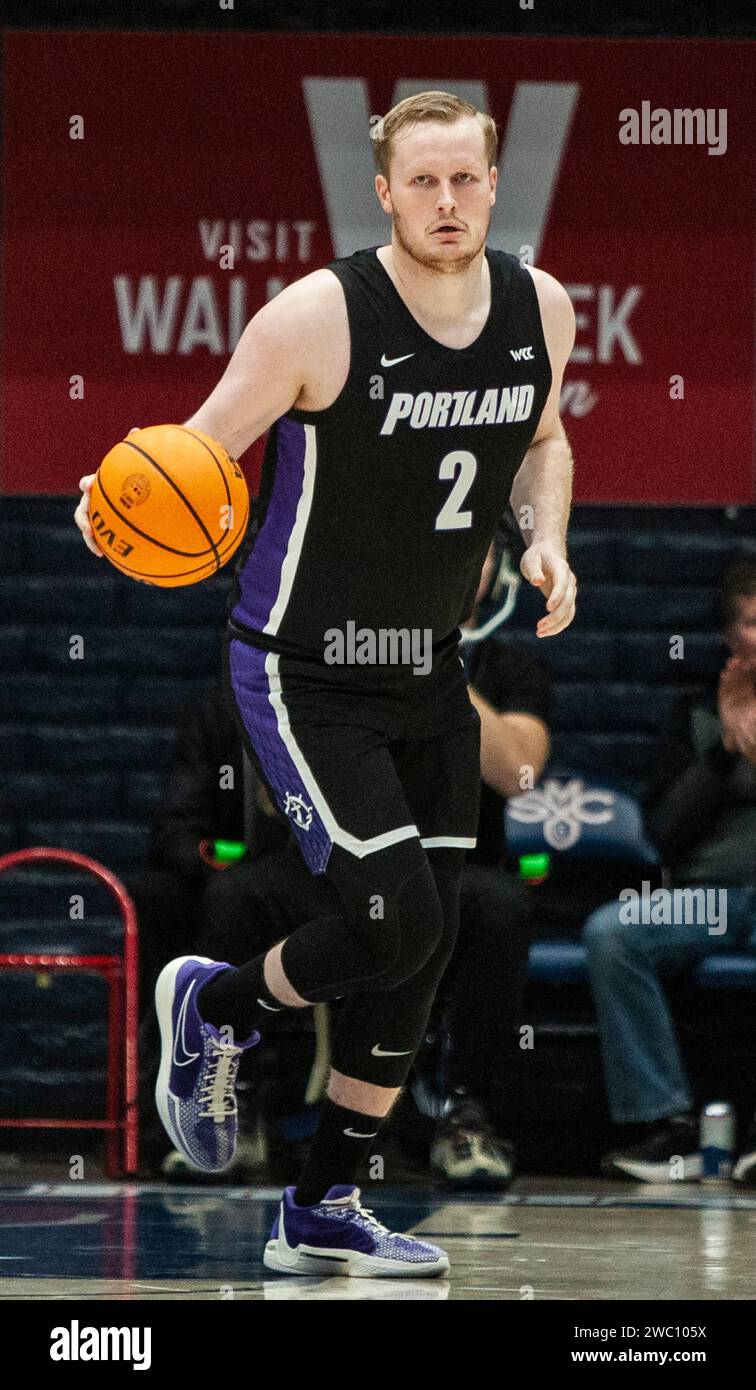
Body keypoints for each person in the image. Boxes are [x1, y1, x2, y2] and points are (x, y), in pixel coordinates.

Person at [75, 90, 577, 1278]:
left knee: (431, 937)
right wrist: (117, 512)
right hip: (303, 672)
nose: (447, 204)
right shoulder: (314, 316)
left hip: (430, 674)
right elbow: (190, 460)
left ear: (494, 186)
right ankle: (218, 1009)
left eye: (466, 181)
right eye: (424, 183)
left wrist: (545, 537)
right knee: (388, 917)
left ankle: (321, 1206)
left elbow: (545, 438)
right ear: (387, 191)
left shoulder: (540, 307)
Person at [583, 557, 756, 1184]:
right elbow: (664, 833)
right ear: (730, 636)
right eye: (755, 623)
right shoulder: (694, 715)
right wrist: (724, 752)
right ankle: (670, 1126)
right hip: (707, 898)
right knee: (612, 932)